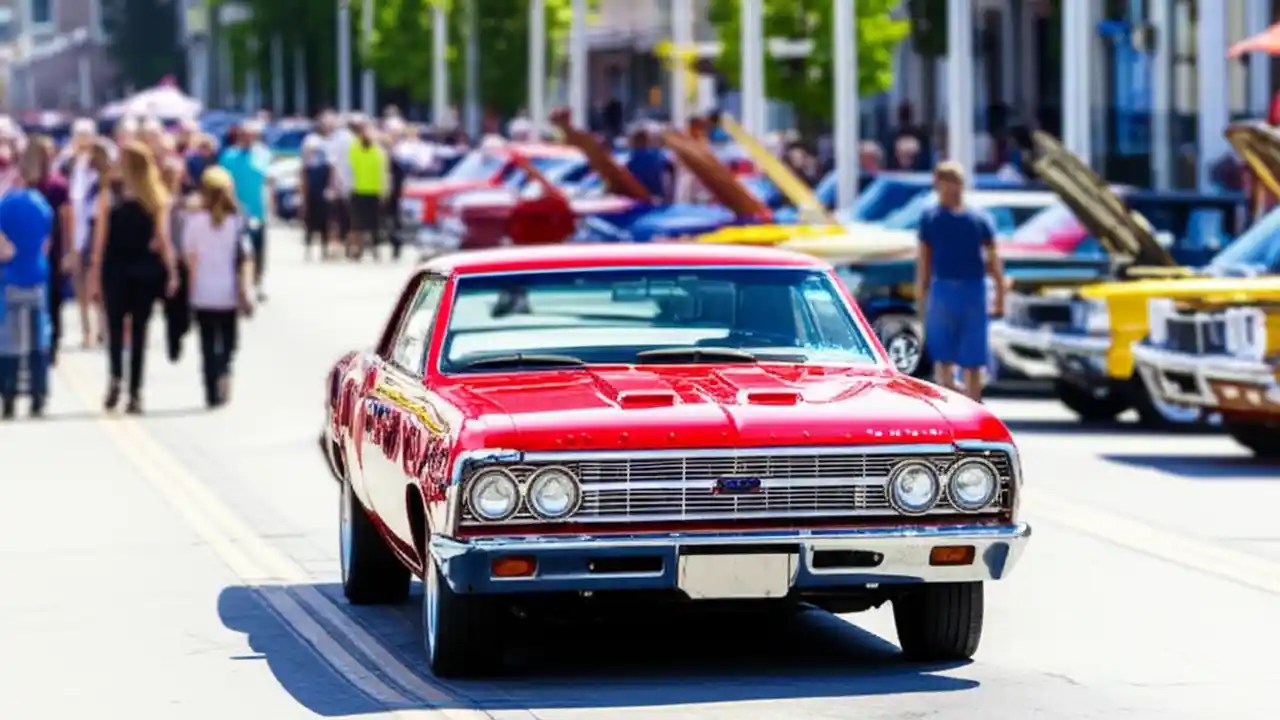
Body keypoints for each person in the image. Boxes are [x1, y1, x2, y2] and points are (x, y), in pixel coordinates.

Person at [88, 141, 180, 415]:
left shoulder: (110, 194)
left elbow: (99, 238)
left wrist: (94, 274)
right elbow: (163, 239)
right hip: (145, 269)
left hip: (115, 268)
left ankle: (115, 378)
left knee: (115, 327)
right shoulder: (155, 196)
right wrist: (172, 271)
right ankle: (136, 392)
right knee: (140, 329)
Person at [915, 162, 1006, 402]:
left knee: (973, 354)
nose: (948, 187)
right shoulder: (931, 218)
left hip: (973, 287)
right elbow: (924, 259)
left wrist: (1000, 294)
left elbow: (994, 258)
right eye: (943, 181)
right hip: (943, 287)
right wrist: (921, 295)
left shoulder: (978, 219)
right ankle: (948, 397)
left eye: (953, 181)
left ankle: (974, 400)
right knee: (942, 350)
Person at [184, 167, 254, 408]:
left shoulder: (194, 222)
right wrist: (246, 288)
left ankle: (211, 390)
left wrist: (190, 292)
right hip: (228, 294)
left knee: (206, 344)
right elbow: (245, 258)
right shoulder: (237, 222)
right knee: (228, 341)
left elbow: (190, 261)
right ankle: (225, 370)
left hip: (203, 293)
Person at [0, 163, 54, 419]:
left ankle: (8, 396)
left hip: (10, 278)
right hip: (36, 276)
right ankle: (38, 395)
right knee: (37, 338)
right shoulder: (41, 205)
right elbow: (47, 240)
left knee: (9, 341)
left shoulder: (4, 206)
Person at [23, 137, 73, 367]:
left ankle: (37, 344)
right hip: (50, 250)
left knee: (35, 300)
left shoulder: (26, 186)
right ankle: (51, 345)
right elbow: (68, 221)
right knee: (53, 301)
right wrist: (69, 250)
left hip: (29, 252)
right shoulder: (58, 185)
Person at [218, 120, 272, 300]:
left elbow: (268, 182)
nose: (248, 139)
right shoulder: (228, 156)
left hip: (258, 212)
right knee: (238, 250)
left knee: (258, 249)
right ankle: (239, 284)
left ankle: (258, 282)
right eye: (244, 135)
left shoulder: (263, 154)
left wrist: (271, 208)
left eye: (251, 135)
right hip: (234, 212)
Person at [347, 120, 388, 261]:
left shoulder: (378, 151)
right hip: (358, 190)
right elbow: (349, 168)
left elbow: (383, 172)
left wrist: (384, 190)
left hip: (374, 191)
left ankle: (375, 250)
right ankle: (357, 250)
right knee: (357, 224)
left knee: (374, 225)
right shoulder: (354, 149)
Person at [299, 135, 332, 259]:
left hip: (322, 198)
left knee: (324, 225)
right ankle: (308, 252)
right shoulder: (307, 167)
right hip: (310, 199)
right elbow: (304, 183)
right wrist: (303, 199)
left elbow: (330, 180)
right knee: (309, 226)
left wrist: (330, 191)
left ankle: (324, 251)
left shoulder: (325, 165)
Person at [625, 125, 667, 203]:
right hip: (657, 196)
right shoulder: (658, 155)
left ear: (632, 142)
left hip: (638, 197)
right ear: (647, 140)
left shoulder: (630, 158)